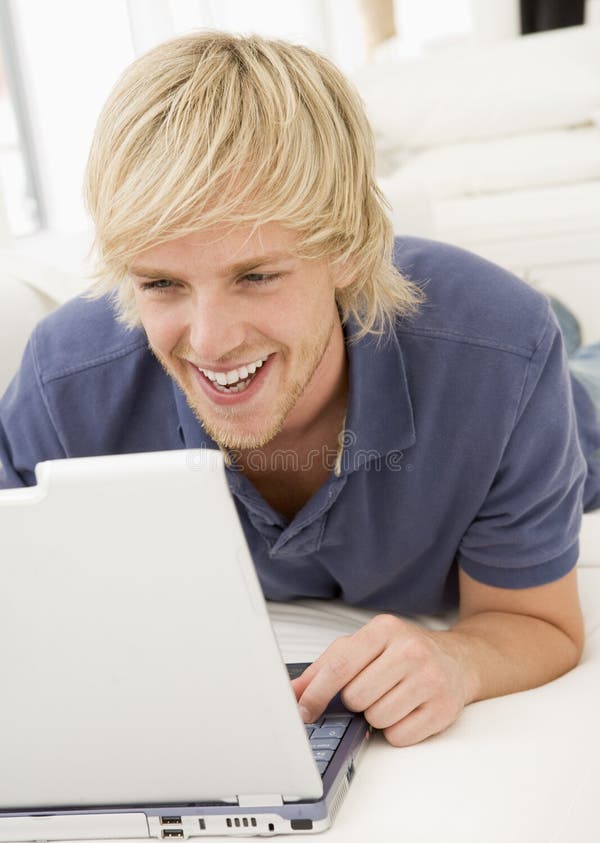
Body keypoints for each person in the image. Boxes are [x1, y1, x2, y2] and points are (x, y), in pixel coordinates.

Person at [1, 32, 599, 748]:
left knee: (569, 356)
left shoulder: (501, 356)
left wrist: (459, 657)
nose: (211, 340)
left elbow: (541, 623)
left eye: (256, 276)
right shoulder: (66, 381)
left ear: (347, 247)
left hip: (554, 387)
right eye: (162, 283)